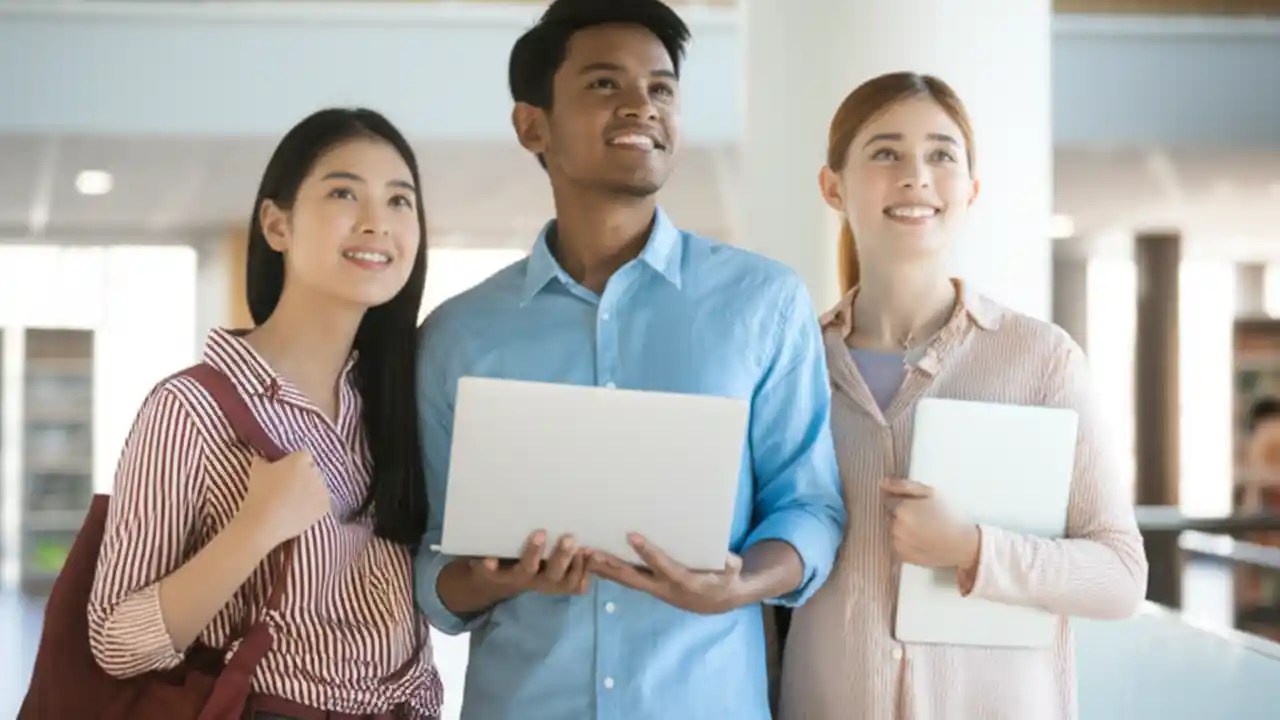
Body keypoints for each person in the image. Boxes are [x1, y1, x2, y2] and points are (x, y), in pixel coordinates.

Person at [414, 1, 845, 718]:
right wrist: (498, 576)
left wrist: (739, 585)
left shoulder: (762, 302)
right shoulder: (458, 336)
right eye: (605, 84)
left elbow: (810, 507)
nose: (641, 106)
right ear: (532, 126)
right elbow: (432, 571)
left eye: (662, 88)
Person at [777, 72, 1149, 720]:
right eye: (886, 152)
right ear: (832, 186)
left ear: (970, 189)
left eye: (941, 155)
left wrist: (975, 551)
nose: (916, 175)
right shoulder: (790, 364)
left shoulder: (1040, 360)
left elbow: (1121, 575)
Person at [88, 109, 443, 719]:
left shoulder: (393, 401)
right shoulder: (192, 408)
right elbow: (118, 642)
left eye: (399, 202)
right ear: (277, 224)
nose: (376, 223)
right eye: (343, 193)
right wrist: (255, 529)